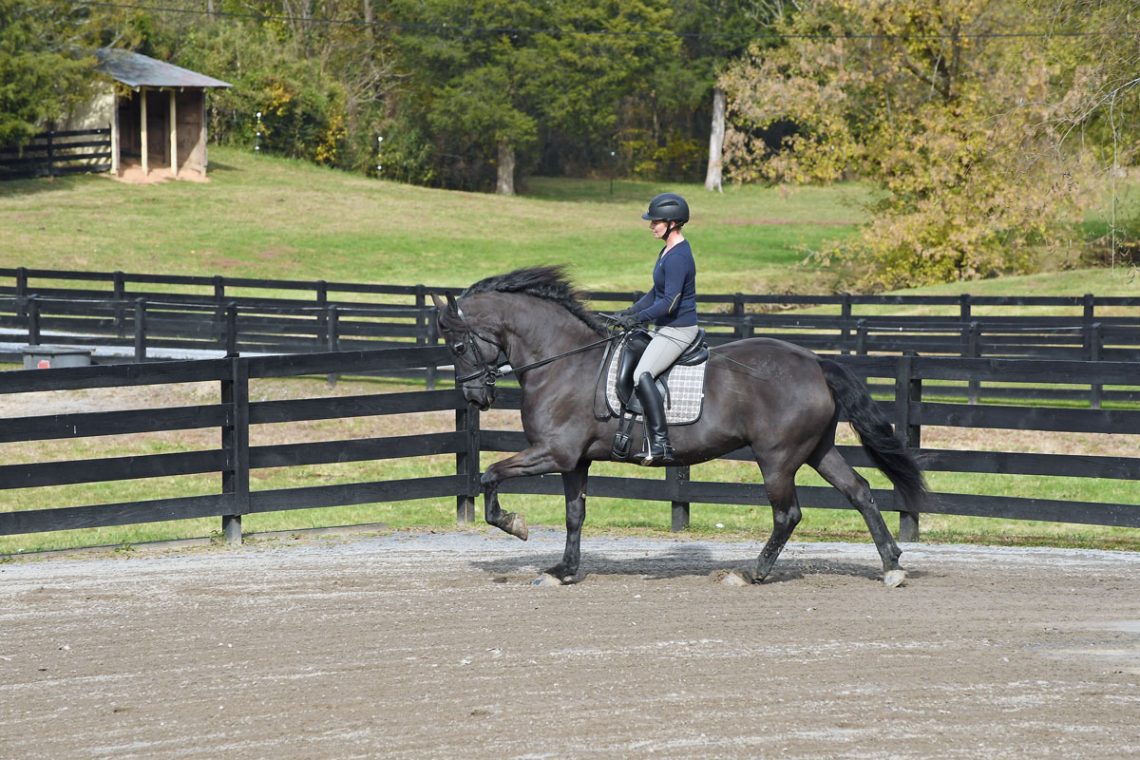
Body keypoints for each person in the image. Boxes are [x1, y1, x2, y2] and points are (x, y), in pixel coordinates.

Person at [614, 192, 699, 465]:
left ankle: (661, 444)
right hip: (665, 329)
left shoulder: (678, 257)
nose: (651, 225)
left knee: (642, 373)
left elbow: (669, 302)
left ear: (673, 223)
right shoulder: (667, 251)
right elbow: (654, 293)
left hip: (678, 330)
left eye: (656, 221)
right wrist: (628, 313)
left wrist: (638, 320)